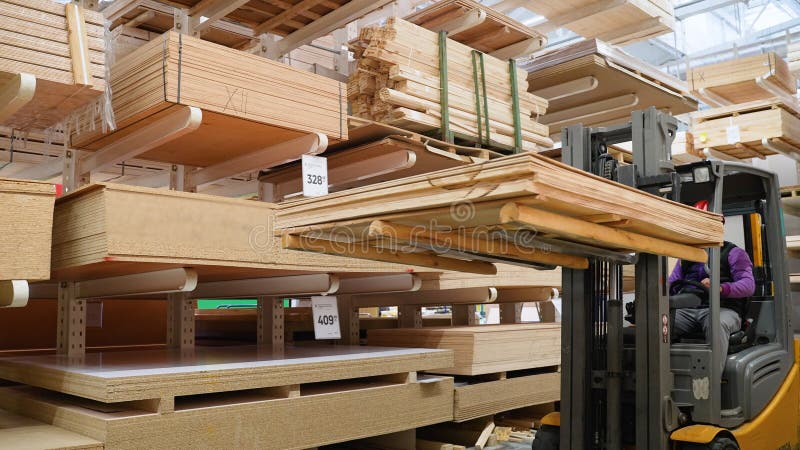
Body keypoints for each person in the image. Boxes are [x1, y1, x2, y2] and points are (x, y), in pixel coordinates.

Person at [668, 239, 755, 369]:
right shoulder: (687, 255)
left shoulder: (734, 253)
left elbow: (748, 285)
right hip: (688, 309)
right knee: (660, 320)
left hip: (723, 308)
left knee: (716, 322)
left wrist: (720, 288)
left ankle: (713, 378)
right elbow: (672, 282)